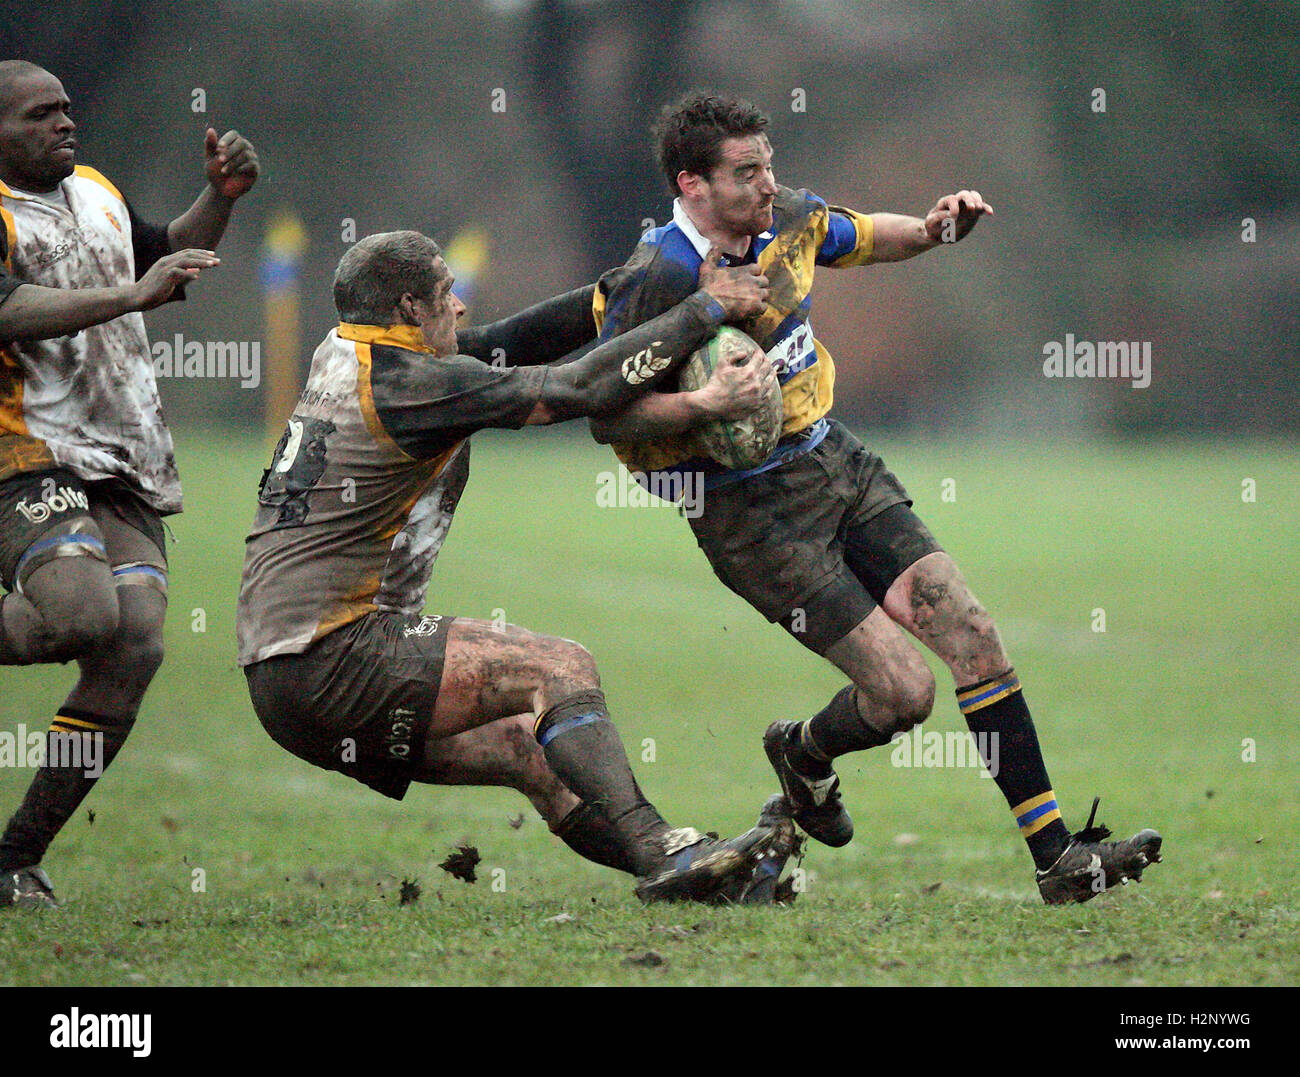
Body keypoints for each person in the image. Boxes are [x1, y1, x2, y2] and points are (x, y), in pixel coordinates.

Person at [588, 91, 1163, 904]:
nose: (767, 184)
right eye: (745, 172)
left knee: (970, 629)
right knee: (903, 695)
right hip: (749, 515)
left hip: (836, 461)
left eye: (769, 163)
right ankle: (803, 752)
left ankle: (1057, 857)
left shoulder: (788, 217)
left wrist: (931, 231)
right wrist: (701, 407)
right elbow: (605, 410)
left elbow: (857, 235)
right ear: (692, 184)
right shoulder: (658, 280)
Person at [236, 230, 796, 903]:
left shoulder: (351, 351)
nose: (462, 307)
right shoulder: (410, 386)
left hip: (281, 679)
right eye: (449, 293)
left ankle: (709, 880)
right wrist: (702, 313)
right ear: (413, 308)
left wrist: (611, 298)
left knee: (528, 751)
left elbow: (506, 342)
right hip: (336, 657)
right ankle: (662, 851)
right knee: (559, 668)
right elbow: (576, 387)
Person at [0, 60, 259, 908]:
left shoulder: (98, 191)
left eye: (69, 109)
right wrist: (129, 296)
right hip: (27, 453)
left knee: (136, 644)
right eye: (42, 115)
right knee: (82, 614)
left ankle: (15, 854)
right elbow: (10, 310)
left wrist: (217, 198)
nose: (66, 124)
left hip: (125, 456)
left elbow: (163, 256)